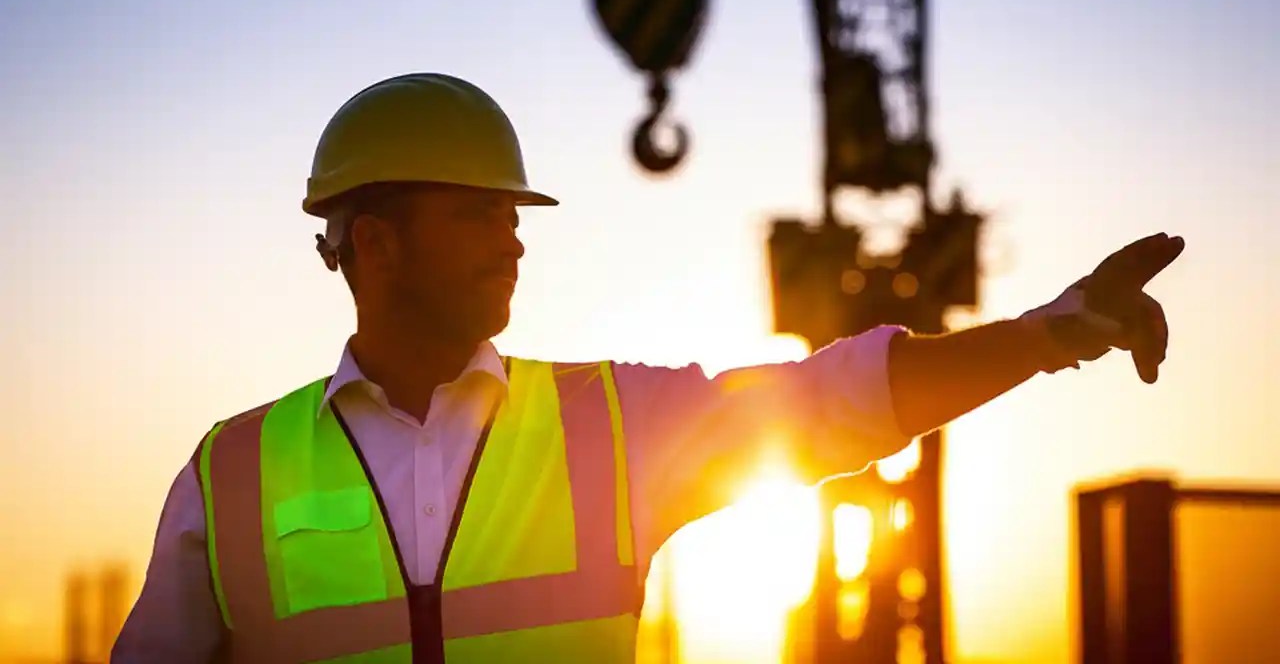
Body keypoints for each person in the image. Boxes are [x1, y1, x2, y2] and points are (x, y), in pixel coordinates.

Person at [113, 73, 1184, 664]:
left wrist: (1049, 333)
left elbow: (838, 402)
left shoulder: (609, 423)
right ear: (375, 246)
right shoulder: (231, 476)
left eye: (513, 213)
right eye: (480, 214)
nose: (513, 240)